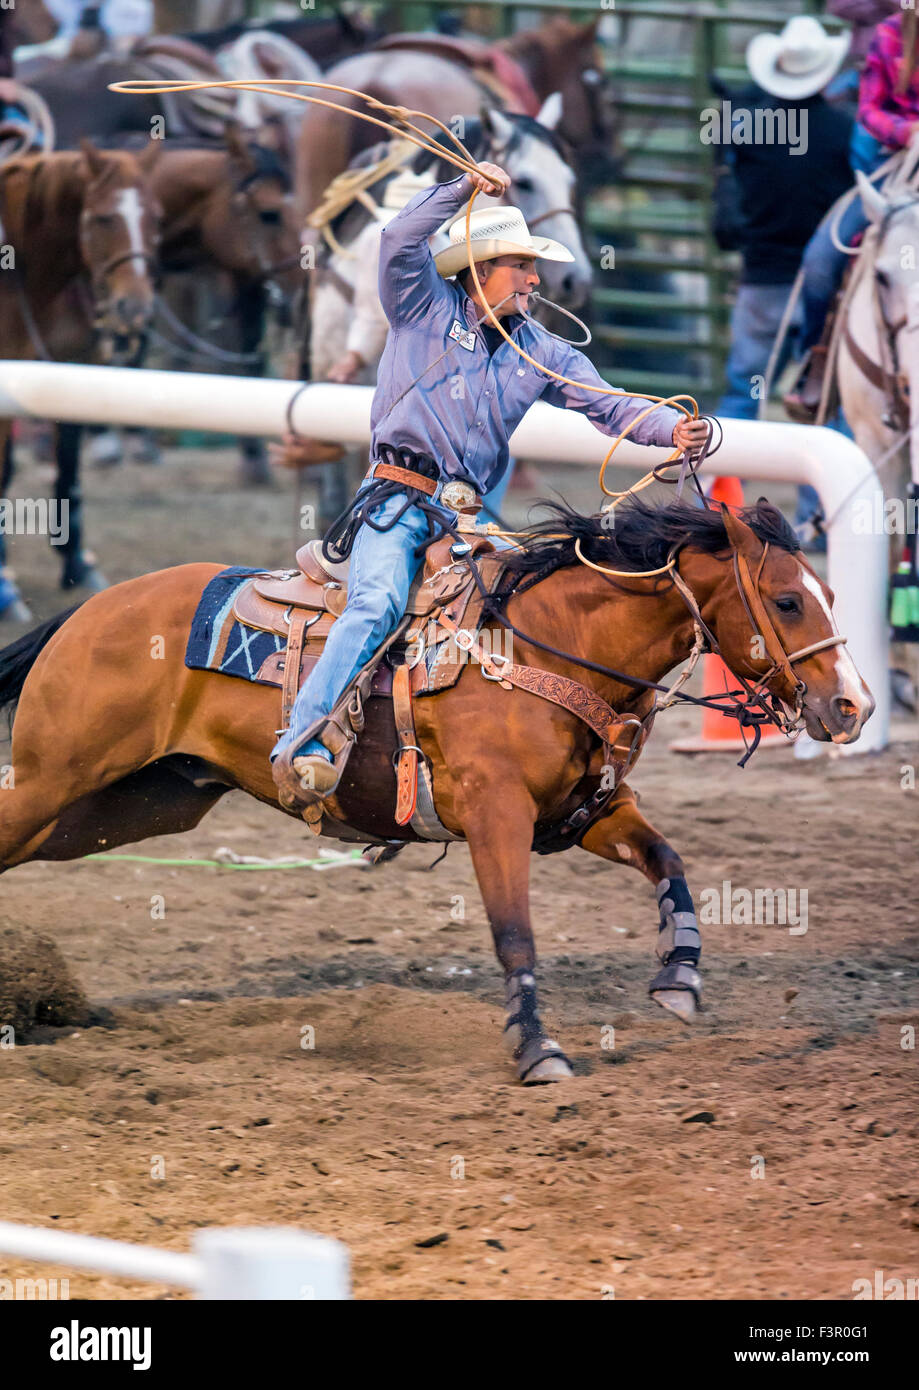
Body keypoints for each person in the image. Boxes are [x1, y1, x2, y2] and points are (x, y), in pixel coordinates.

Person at [270, 159, 708, 807]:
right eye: (519, 265)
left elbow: (608, 404)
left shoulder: (542, 350)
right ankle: (299, 742)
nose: (534, 277)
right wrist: (461, 187)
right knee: (376, 604)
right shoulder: (421, 306)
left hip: (467, 517)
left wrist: (669, 428)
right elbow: (398, 240)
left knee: (523, 615)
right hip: (396, 502)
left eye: (533, 267)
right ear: (478, 270)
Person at [715, 16, 852, 424]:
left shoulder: (748, 131)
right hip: (826, 288)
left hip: (762, 280)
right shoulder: (844, 132)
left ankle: (720, 481)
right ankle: (830, 489)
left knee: (744, 390)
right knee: (829, 396)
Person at [786, 8, 919, 419]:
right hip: (896, 166)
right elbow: (869, 110)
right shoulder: (893, 33)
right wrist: (909, 133)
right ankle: (817, 360)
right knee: (821, 260)